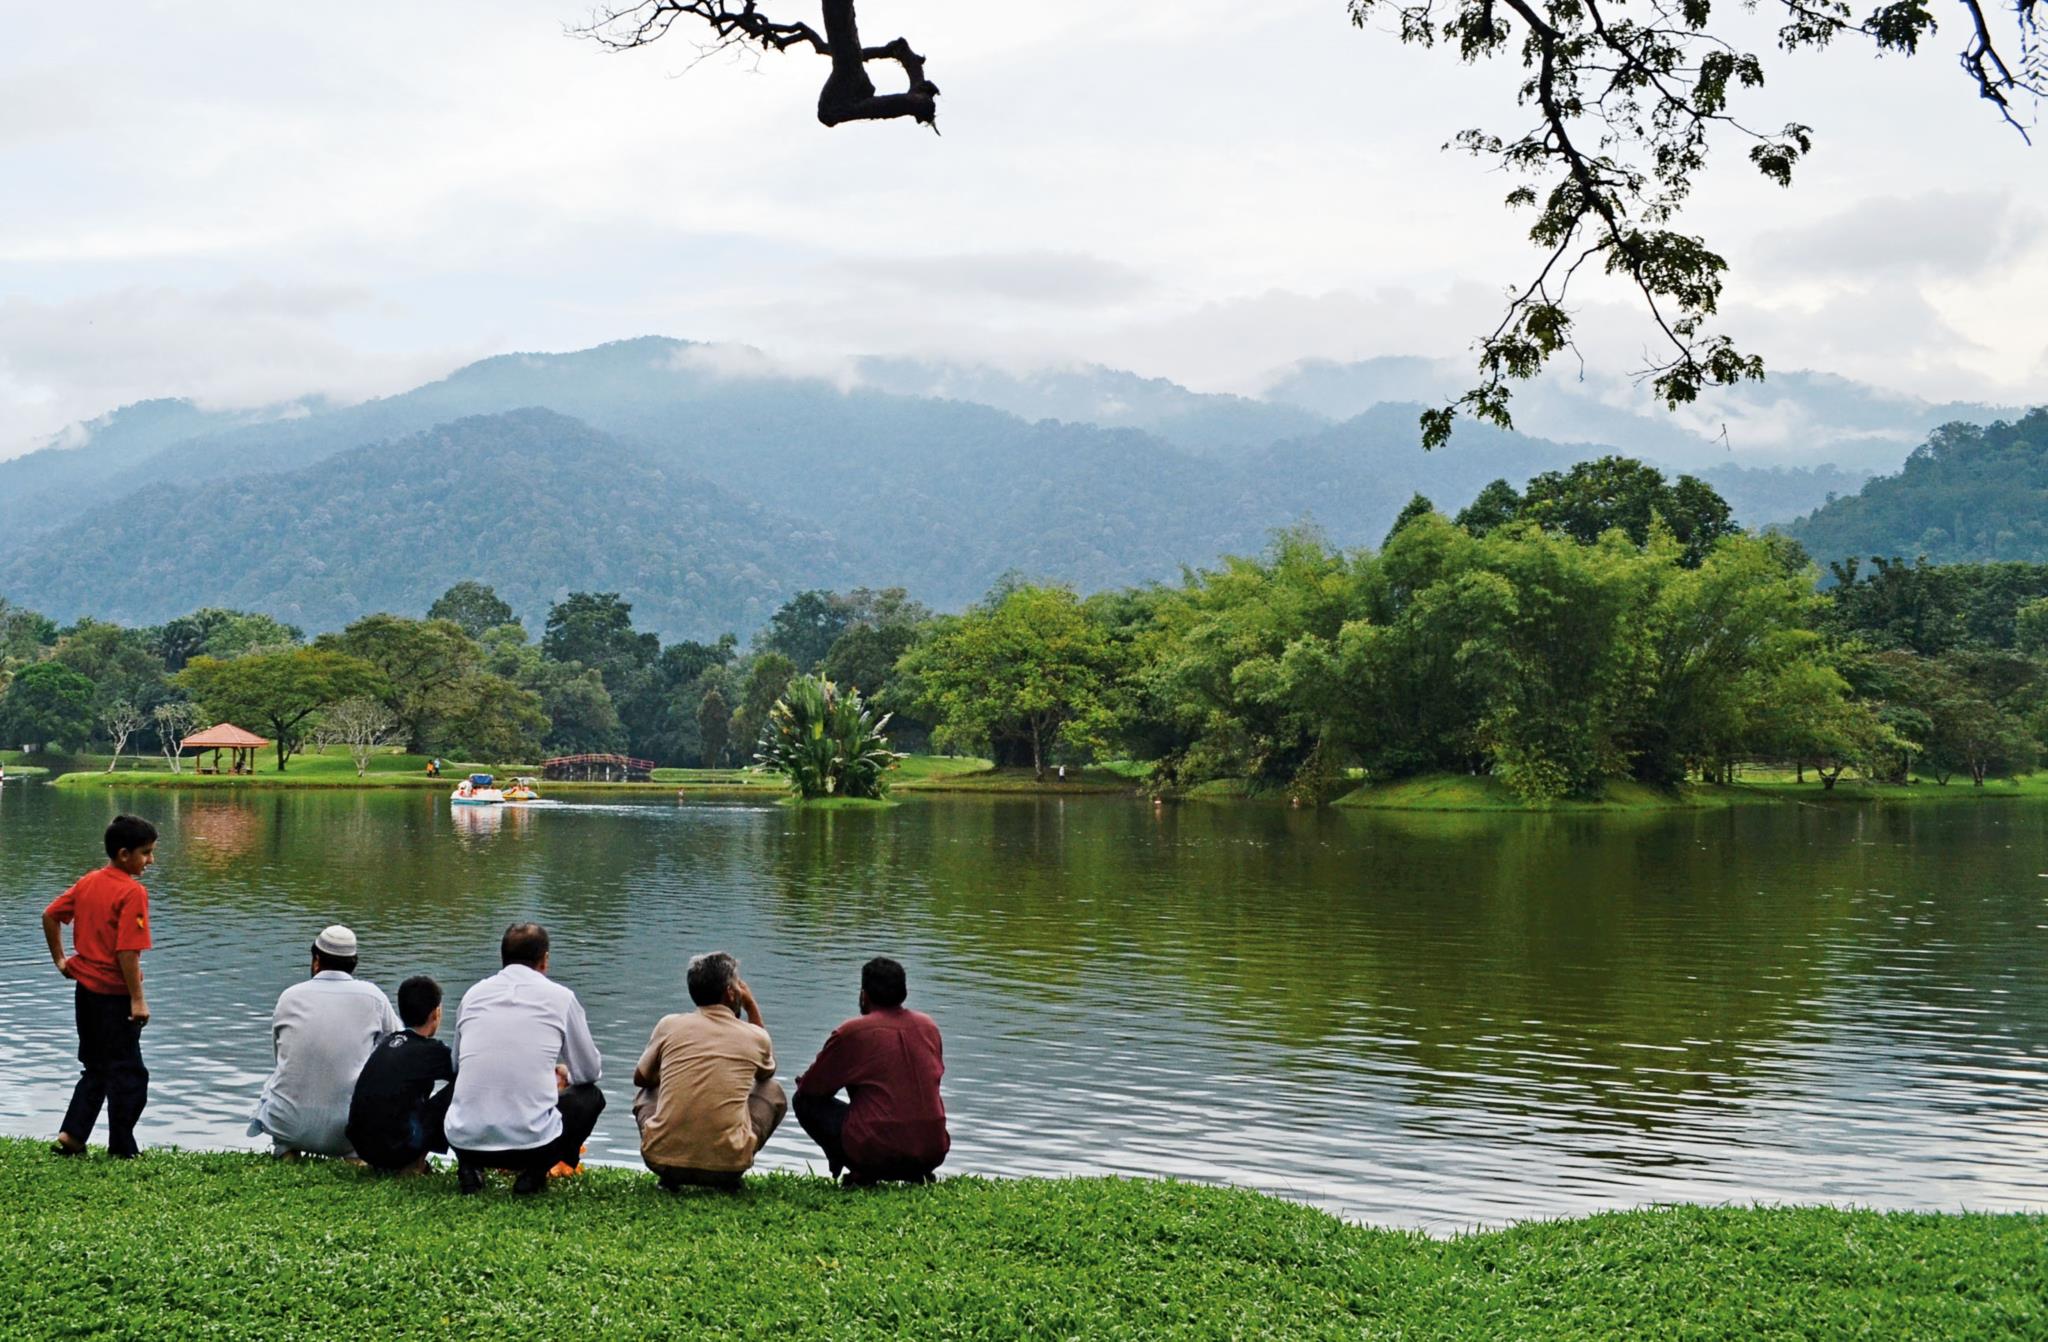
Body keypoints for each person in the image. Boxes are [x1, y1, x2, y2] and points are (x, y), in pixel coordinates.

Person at [444, 922, 604, 1196]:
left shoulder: (473, 995)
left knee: (459, 1086)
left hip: (465, 1140)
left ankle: (470, 1168)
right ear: (544, 960)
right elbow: (589, 1072)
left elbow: (456, 1065)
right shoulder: (561, 998)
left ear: (503, 958)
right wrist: (565, 1074)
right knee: (591, 1097)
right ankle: (534, 1173)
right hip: (532, 1145)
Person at [42, 814, 158, 1159]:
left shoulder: (89, 881)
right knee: (130, 1075)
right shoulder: (132, 892)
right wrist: (138, 1000)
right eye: (146, 853)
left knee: (95, 1067)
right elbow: (126, 950)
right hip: (114, 996)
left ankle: (72, 1136)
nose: (150, 860)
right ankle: (123, 1148)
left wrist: (62, 960)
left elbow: (50, 914)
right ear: (124, 855)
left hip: (86, 992)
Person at [632, 951, 785, 1191]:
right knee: (773, 1091)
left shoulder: (669, 1024)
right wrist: (751, 1006)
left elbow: (640, 1078)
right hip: (728, 1167)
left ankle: (671, 1169)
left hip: (661, 1161)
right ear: (731, 993)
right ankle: (729, 1164)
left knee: (648, 1091)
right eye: (738, 984)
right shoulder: (755, 1037)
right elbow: (766, 1074)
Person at [247, 925, 401, 1157]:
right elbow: (399, 1046)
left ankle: (287, 1149)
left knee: (276, 1080)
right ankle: (353, 1156)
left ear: (316, 960)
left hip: (287, 1126)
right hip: (348, 1134)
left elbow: (280, 1057)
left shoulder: (290, 996)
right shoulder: (373, 997)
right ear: (354, 963)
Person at [794, 957, 949, 1185]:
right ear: (904, 993)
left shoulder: (853, 1032)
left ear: (864, 996)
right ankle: (913, 1170)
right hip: (932, 1150)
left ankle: (859, 1168)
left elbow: (811, 1088)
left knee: (803, 1102)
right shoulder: (928, 1026)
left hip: (876, 1151)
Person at [346, 975, 456, 1173]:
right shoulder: (431, 1051)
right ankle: (415, 1163)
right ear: (436, 1013)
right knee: (462, 1085)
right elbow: (466, 1072)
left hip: (362, 1146)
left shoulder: (387, 1043)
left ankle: (403, 1158)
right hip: (395, 1150)